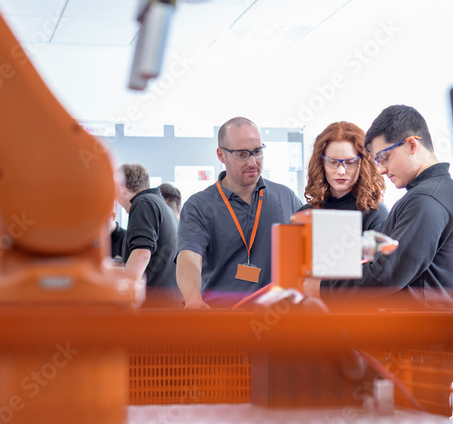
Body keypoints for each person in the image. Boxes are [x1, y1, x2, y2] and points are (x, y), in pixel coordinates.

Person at [322, 105, 453, 310]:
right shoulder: (435, 192)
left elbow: (386, 275)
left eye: (384, 157)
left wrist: (325, 288)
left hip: (416, 337)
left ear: (411, 145)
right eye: (377, 161)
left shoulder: (426, 200)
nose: (381, 169)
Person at [176, 117, 303, 309]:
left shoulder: (286, 197)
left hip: (276, 321)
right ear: (221, 155)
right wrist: (193, 298)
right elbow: (189, 257)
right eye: (242, 154)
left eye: (258, 152)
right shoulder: (199, 206)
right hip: (223, 321)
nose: (253, 162)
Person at [299, 121, 387, 232]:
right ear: (321, 164)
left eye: (350, 162)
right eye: (332, 161)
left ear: (363, 164)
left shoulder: (374, 214)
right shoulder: (304, 214)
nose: (341, 171)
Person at [113, 163, 179, 301]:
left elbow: (141, 253)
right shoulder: (160, 205)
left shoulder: (143, 203)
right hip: (169, 303)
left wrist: (124, 293)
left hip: (155, 306)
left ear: (120, 189)